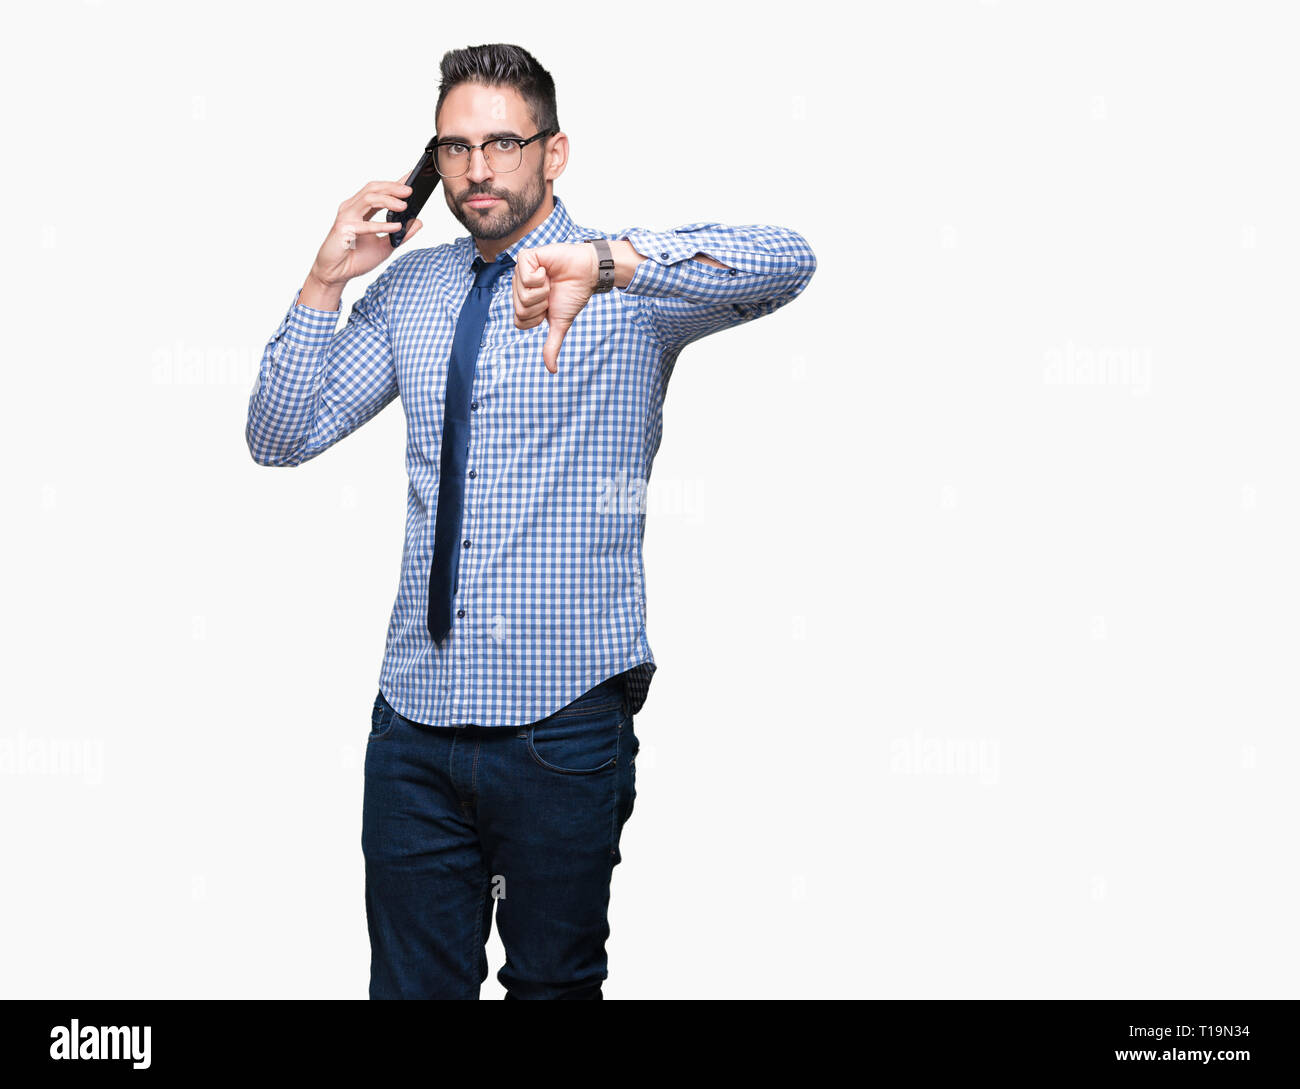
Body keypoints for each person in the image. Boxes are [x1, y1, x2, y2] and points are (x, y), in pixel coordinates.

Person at [245, 42, 817, 999]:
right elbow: (279, 434)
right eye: (456, 147)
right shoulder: (409, 292)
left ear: (554, 153)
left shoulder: (630, 291)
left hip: (560, 725)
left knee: (555, 988)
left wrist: (611, 264)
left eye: (504, 143)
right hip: (414, 730)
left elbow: (788, 261)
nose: (478, 169)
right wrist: (323, 281)